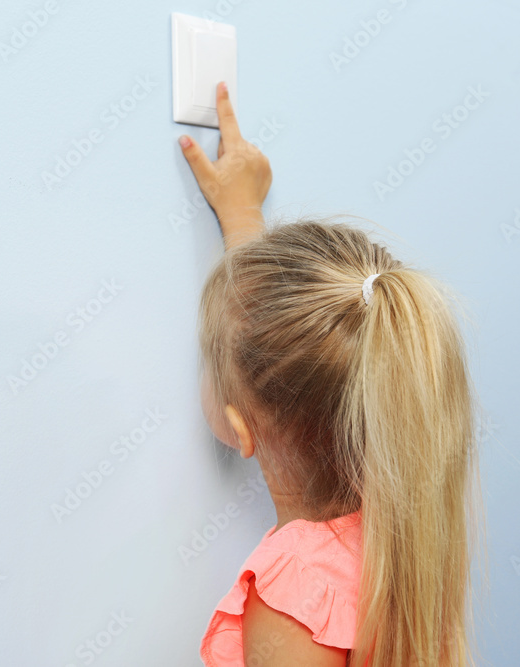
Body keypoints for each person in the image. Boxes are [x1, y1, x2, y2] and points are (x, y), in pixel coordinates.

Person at [178, 81, 483, 666]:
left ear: (240, 429)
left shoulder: (292, 594)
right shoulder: (404, 533)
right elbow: (273, 341)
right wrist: (242, 213)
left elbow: (270, 343)